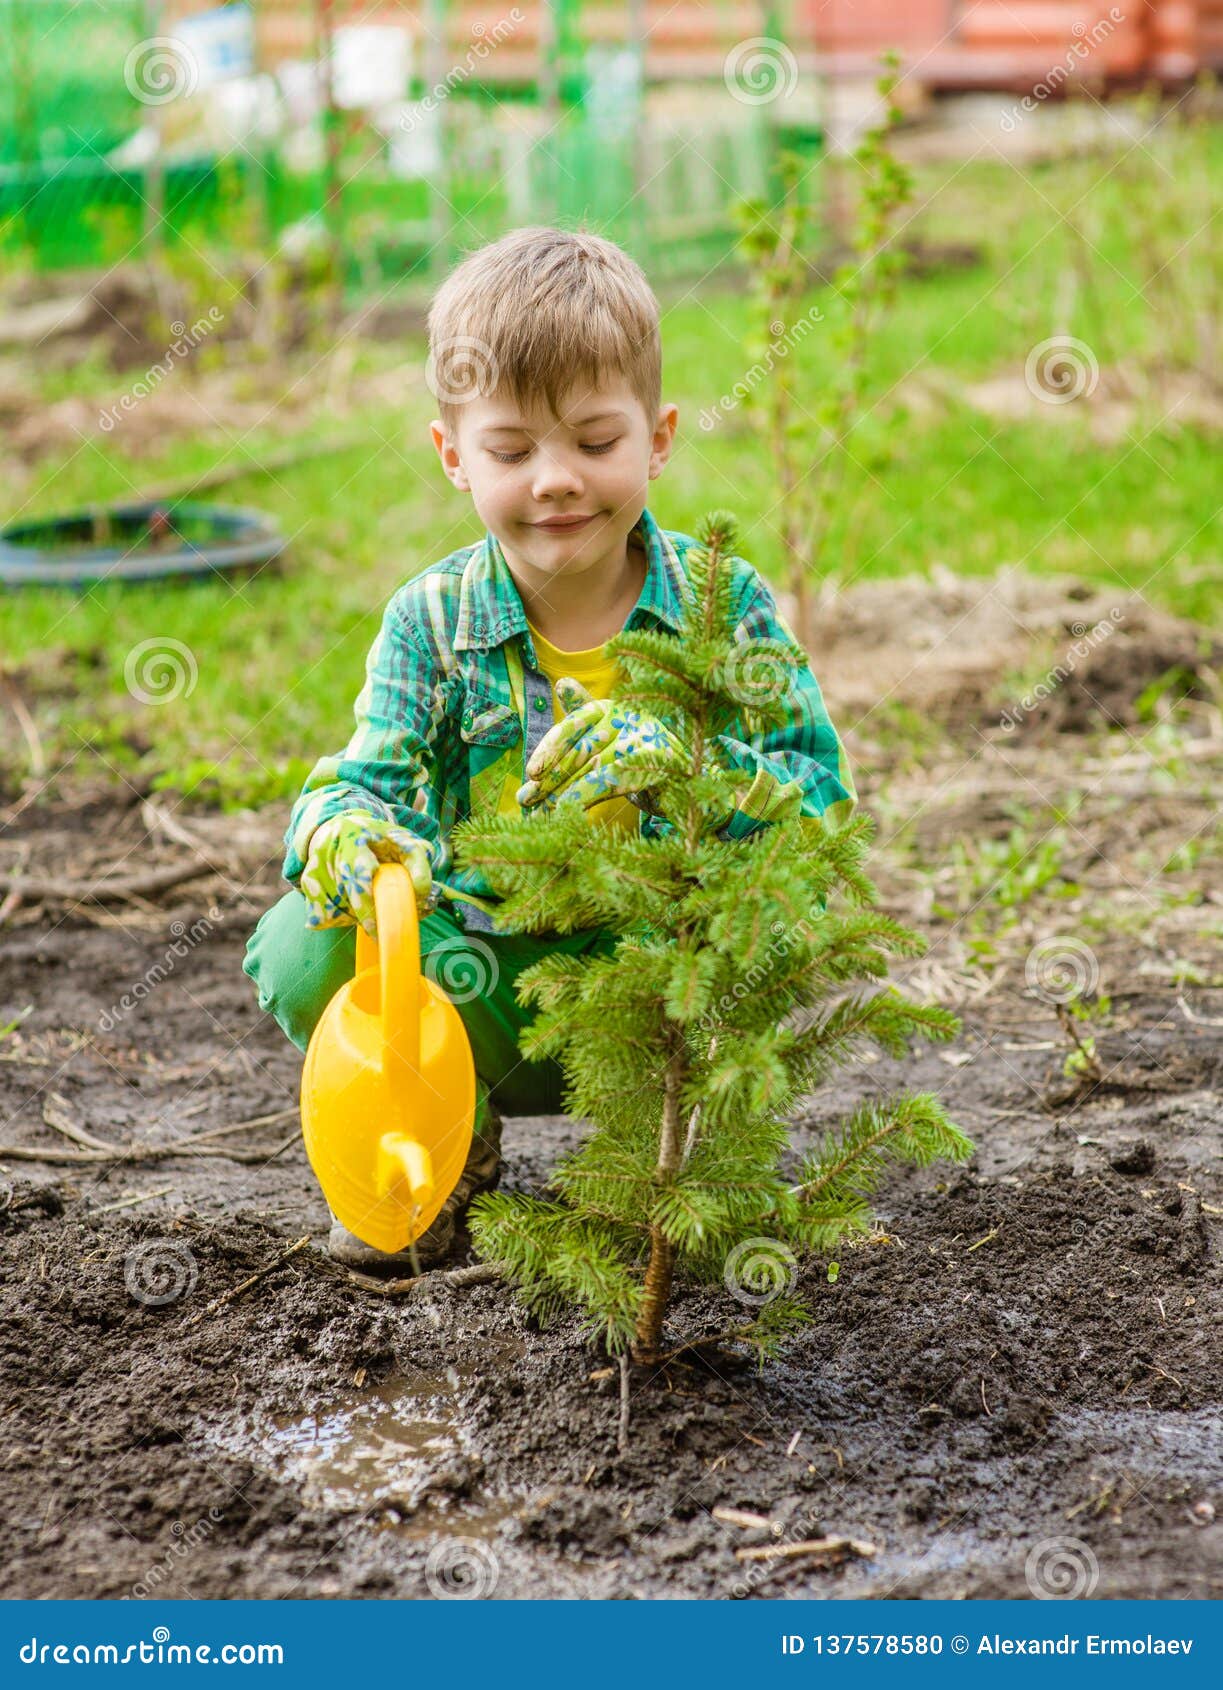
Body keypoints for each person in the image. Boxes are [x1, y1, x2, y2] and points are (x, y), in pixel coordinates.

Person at [242, 225, 856, 1274]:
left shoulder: (722, 607)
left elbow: (824, 805)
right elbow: (363, 779)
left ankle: (667, 1159)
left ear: (658, 438)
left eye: (594, 441)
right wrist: (346, 832)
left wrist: (685, 766)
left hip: (658, 983)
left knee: (778, 915)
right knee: (305, 944)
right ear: (452, 456)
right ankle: (444, 1134)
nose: (557, 481)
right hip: (482, 975)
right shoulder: (430, 621)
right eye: (512, 451)